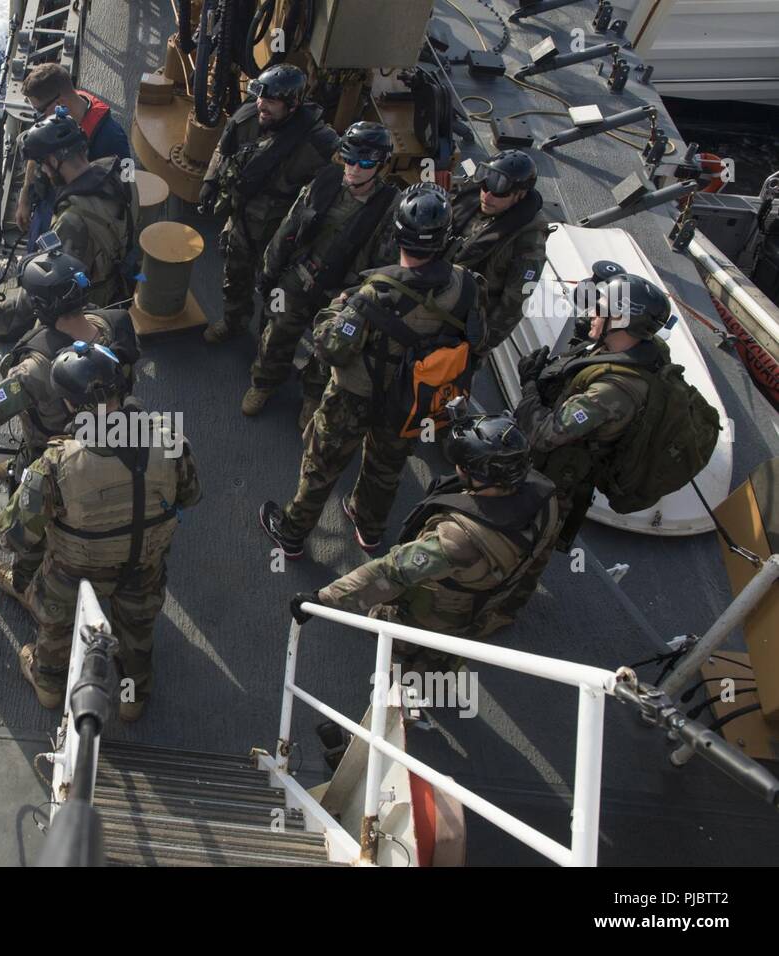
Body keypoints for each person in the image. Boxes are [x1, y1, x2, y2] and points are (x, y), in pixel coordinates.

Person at [0, 342, 201, 719]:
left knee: (54, 628)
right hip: (144, 567)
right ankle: (132, 696)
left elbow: (10, 535)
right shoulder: (169, 437)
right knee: (137, 630)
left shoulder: (55, 464)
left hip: (72, 574)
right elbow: (189, 496)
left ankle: (49, 686)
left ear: (71, 405)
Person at [259, 183, 488, 559]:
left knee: (322, 465)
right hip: (413, 401)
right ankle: (369, 527)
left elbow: (330, 347)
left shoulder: (375, 292)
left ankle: (293, 532)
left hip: (355, 397)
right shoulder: (466, 285)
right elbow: (478, 341)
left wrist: (336, 309)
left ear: (398, 233)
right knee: (386, 466)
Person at [0, 250, 139, 603]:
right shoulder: (113, 323)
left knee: (32, 528)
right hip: (109, 437)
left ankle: (22, 581)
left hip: (54, 456)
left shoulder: (34, 371)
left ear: (43, 306)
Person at [289, 413, 562, 669]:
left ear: (480, 475)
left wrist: (321, 600)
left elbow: (391, 572)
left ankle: (415, 674)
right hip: (491, 596)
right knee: (456, 643)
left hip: (443, 612)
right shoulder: (545, 499)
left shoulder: (456, 539)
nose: (457, 468)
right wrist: (505, 609)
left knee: (405, 636)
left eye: (464, 464)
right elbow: (537, 559)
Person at [243, 122, 399, 417]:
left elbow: (383, 265)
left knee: (329, 350)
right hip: (299, 276)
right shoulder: (325, 181)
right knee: (276, 332)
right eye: (348, 159)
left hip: (343, 293)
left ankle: (312, 396)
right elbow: (289, 227)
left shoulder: (389, 208)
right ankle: (263, 383)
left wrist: (356, 300)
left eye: (364, 162)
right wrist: (269, 272)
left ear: (381, 165)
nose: (353, 168)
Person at [515, 271, 676, 550]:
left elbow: (544, 434)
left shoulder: (612, 392)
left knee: (518, 555)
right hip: (541, 471)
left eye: (599, 309)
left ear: (622, 320)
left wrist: (529, 386)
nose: (591, 312)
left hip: (547, 490)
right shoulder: (619, 349)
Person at [198, 63, 338, 344]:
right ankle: (233, 322)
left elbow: (328, 197)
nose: (262, 105)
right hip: (243, 218)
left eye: (271, 101)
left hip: (281, 235)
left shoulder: (319, 145)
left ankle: (266, 343)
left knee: (277, 295)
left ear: (292, 105)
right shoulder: (249, 117)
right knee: (235, 276)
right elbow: (223, 150)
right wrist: (210, 180)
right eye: (261, 98)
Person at [0, 113, 137, 340]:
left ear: (56, 161)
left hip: (88, 308)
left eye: (43, 165)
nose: (43, 172)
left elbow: (42, 295)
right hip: (121, 283)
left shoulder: (72, 221)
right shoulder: (116, 171)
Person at [441, 150, 549, 350]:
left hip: (462, 323)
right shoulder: (467, 199)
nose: (487, 195)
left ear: (520, 194)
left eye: (500, 190)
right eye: (485, 185)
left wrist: (480, 346)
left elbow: (514, 305)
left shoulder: (528, 241)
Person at [17, 62, 131, 234]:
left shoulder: (112, 138)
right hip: (50, 202)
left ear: (60, 102)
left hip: (83, 221)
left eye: (39, 110)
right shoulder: (51, 118)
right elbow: (37, 151)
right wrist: (25, 196)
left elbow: (128, 182)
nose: (38, 118)